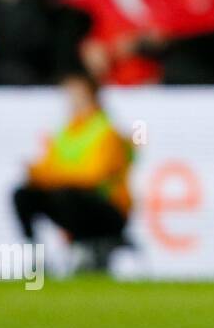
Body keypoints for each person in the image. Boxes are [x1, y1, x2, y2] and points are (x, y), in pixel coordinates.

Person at [13, 72, 135, 271]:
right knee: (23, 194)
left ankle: (84, 248)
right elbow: (49, 167)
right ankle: (36, 255)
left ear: (92, 96)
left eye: (76, 95)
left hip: (109, 208)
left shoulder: (107, 131)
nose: (71, 101)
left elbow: (94, 176)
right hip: (69, 198)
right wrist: (36, 173)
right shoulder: (65, 132)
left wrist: (53, 177)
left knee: (66, 195)